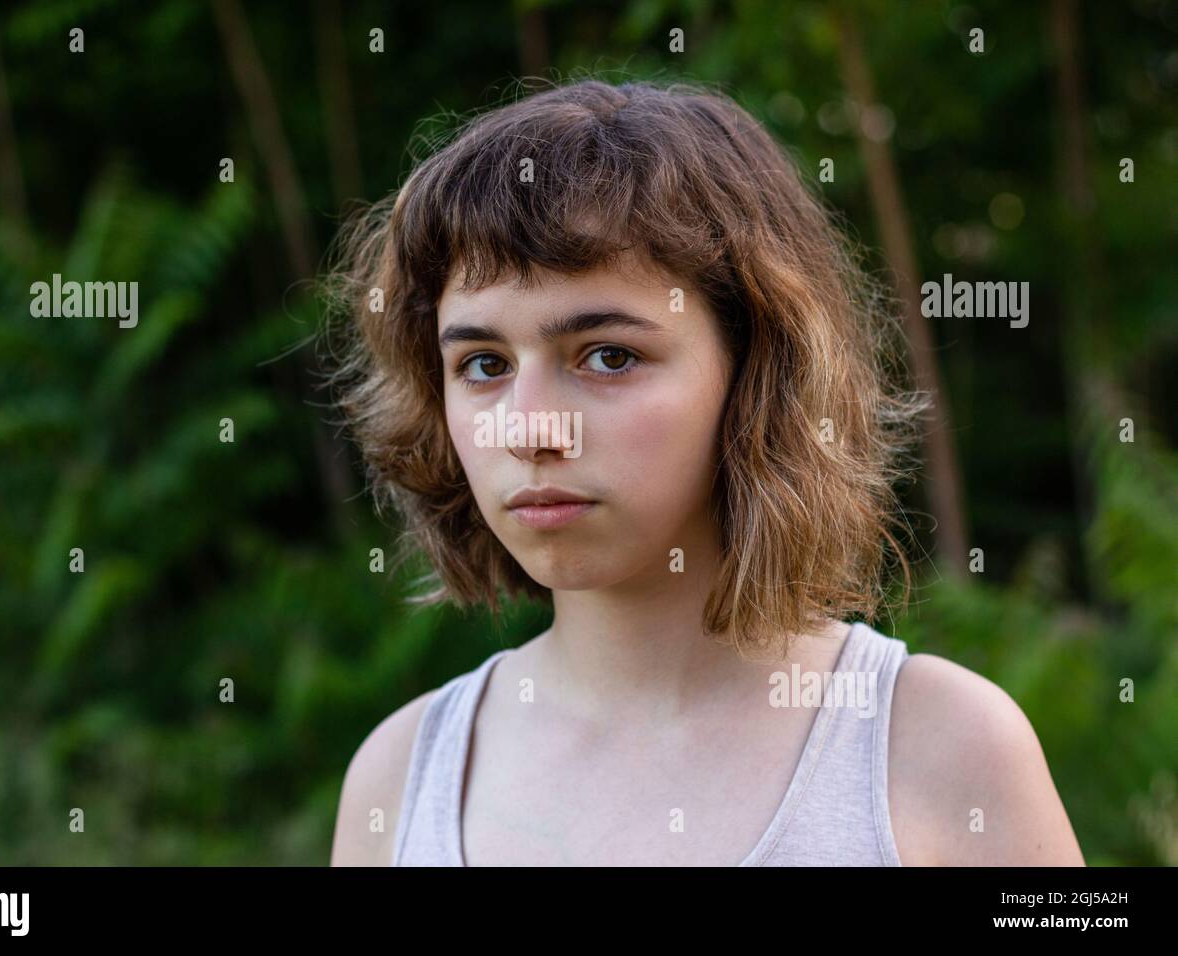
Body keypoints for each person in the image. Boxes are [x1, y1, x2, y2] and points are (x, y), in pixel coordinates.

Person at [323, 78, 1084, 866]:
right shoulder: (401, 777)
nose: (527, 429)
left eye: (609, 356)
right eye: (482, 364)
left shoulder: (941, 751)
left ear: (757, 371)